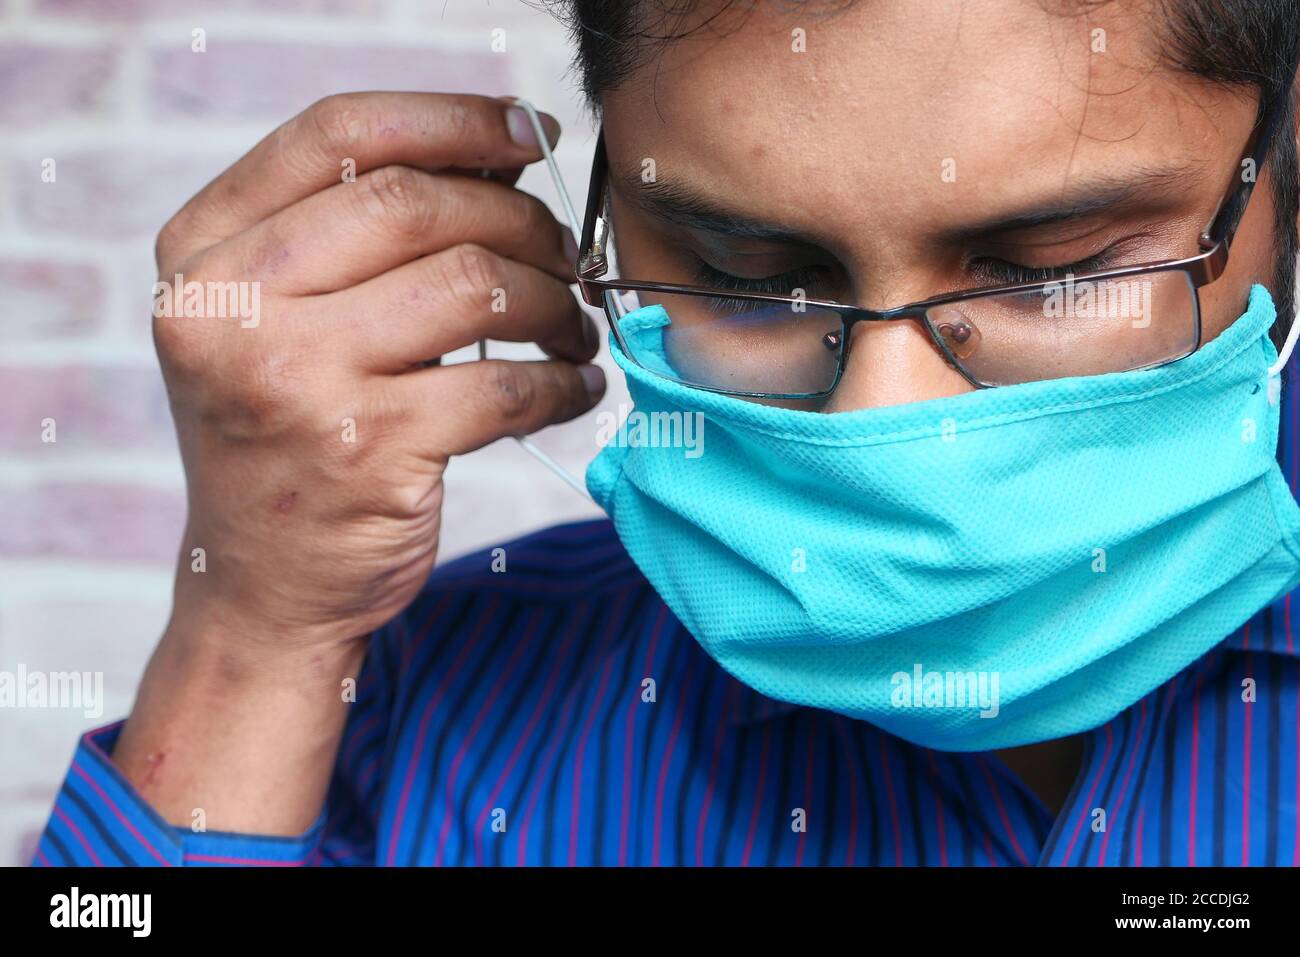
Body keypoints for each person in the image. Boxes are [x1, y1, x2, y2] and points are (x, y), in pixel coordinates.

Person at [32, 0, 1300, 866]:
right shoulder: (409, 704)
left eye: (1050, 271)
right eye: (750, 278)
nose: (883, 418)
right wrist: (254, 636)